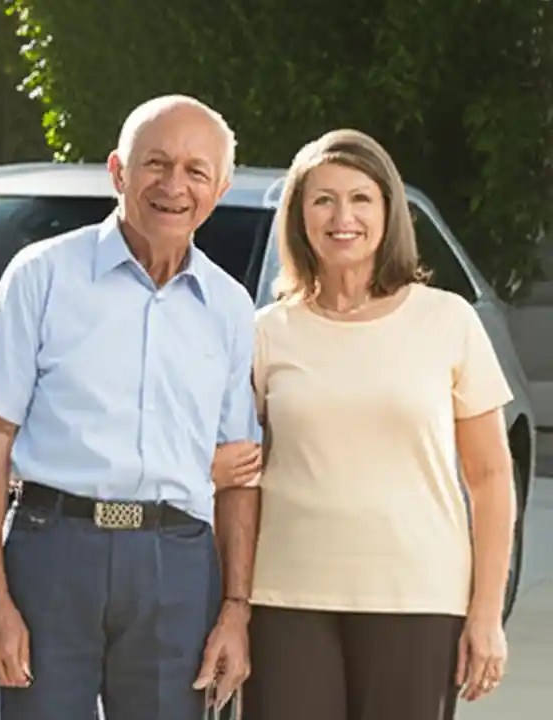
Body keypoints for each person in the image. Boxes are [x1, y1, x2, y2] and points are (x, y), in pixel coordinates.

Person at [0, 94, 263, 720]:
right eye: (156, 163)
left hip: (176, 567)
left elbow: (239, 474)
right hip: (52, 557)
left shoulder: (231, 307)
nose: (174, 186)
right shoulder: (41, 276)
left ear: (220, 188)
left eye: (196, 171)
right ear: (118, 172)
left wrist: (236, 610)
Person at [238, 128, 515, 720]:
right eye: (323, 200)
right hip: (285, 598)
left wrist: (486, 613)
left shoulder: (448, 320)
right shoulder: (266, 332)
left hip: (419, 596)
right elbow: (237, 473)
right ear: (299, 216)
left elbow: (491, 477)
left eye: (360, 198)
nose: (343, 218)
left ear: (389, 213)